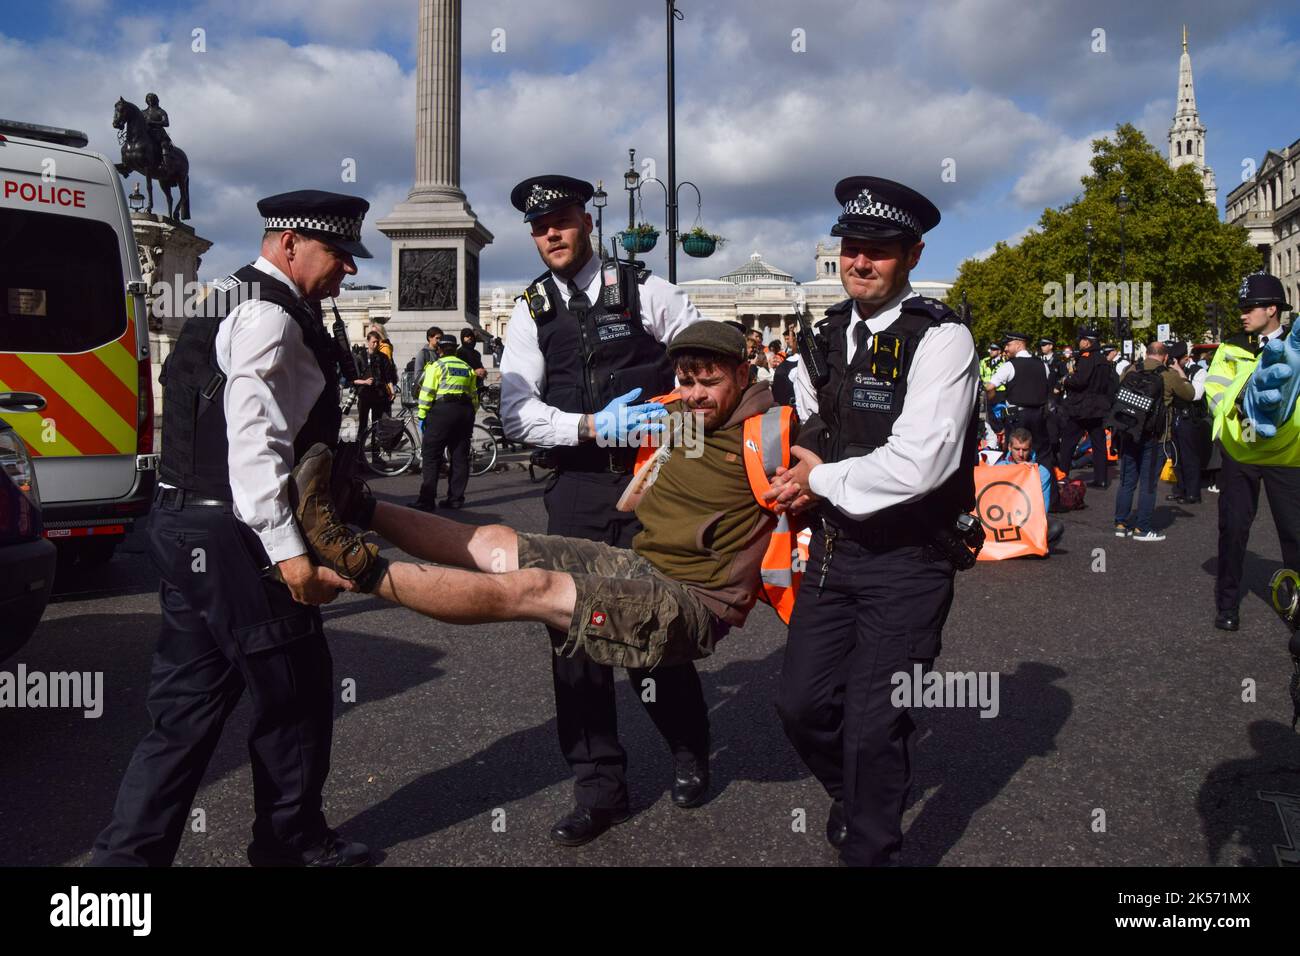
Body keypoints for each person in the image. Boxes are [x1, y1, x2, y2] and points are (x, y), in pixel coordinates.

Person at [90, 190, 375, 868]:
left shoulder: (227, 298)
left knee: (185, 711)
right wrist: (288, 555)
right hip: (238, 538)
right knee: (297, 694)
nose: (349, 271)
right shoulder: (271, 319)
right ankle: (291, 844)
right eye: (338, 255)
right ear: (287, 245)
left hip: (187, 522)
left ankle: (122, 867)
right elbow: (253, 442)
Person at [767, 176, 981, 866]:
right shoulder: (823, 335)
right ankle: (855, 794)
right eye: (852, 247)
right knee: (799, 706)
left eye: (879, 251)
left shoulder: (942, 339)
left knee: (872, 725)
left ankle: (873, 845)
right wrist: (790, 477)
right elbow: (802, 428)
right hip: (833, 551)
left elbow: (921, 463)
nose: (860, 261)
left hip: (910, 558)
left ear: (912, 255)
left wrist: (817, 479)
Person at [498, 174, 710, 847]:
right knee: (576, 635)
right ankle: (599, 788)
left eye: (560, 220)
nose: (551, 235)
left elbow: (707, 361)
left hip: (654, 483)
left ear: (587, 221)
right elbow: (516, 412)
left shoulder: (644, 289)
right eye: (539, 227)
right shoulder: (528, 311)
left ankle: (687, 746)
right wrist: (591, 427)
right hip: (580, 488)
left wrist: (675, 424)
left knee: (656, 625)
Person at [1206, 272, 1298, 631]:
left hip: (1288, 454)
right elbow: (1212, 392)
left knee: (1294, 535)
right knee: (1233, 530)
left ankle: (1296, 609)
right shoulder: (1230, 347)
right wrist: (1242, 397)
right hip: (1241, 450)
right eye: (1241, 307)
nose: (1243, 314)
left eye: (1250, 307)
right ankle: (1227, 605)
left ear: (1272, 309)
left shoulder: (1296, 347)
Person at [1113, 341, 1194, 542]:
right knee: (1148, 484)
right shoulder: (1168, 375)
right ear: (1165, 356)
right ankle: (1142, 528)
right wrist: (1178, 370)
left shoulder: (1131, 369)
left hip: (1130, 431)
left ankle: (1121, 524)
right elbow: (1190, 394)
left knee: (1126, 481)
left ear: (1147, 353)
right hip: (1155, 436)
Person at [415, 334, 478, 511]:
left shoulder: (437, 366)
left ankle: (427, 500)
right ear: (456, 349)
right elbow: (474, 397)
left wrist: (422, 415)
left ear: (440, 349)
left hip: (442, 413)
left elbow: (427, 393)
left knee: (431, 455)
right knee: (459, 457)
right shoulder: (466, 367)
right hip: (464, 413)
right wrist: (470, 413)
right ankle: (455, 499)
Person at [986, 331, 1054, 478]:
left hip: (1017, 417)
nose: (1005, 349)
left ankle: (1015, 490)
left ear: (1018, 344)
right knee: (1043, 454)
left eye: (1008, 345)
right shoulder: (1043, 365)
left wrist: (992, 403)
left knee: (1017, 454)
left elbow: (990, 387)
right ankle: (1048, 492)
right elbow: (1049, 387)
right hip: (1039, 416)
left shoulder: (1009, 365)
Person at [1059, 329, 1113, 489]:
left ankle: (1062, 474)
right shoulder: (1103, 359)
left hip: (1082, 407)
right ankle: (1101, 478)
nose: (1079, 343)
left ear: (1087, 342)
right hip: (1098, 406)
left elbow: (1080, 381)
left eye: (1081, 340)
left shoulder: (1086, 358)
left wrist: (1066, 381)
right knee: (1099, 443)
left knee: (1068, 441)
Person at [994, 428, 1064, 549]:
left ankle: (1026, 547)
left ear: (1030, 449)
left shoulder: (1041, 472)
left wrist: (1028, 475)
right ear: (1010, 448)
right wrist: (1016, 471)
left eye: (1025, 450)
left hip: (1028, 520)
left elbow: (1042, 508)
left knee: (1056, 527)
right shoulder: (999, 467)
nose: (1021, 454)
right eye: (1017, 449)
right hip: (1002, 519)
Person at [1165, 341, 1208, 505]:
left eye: (1176, 360)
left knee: (1190, 456)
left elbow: (1195, 394)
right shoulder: (1172, 370)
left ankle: (1193, 492)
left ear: (1185, 358)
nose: (1173, 363)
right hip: (1174, 416)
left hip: (1189, 418)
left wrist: (1179, 372)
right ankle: (1181, 489)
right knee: (1176, 456)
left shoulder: (1199, 371)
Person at [355, 329, 397, 464]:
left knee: (377, 426)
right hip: (365, 394)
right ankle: (359, 456)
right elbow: (352, 378)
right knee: (362, 426)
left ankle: (376, 455)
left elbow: (388, 376)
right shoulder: (360, 357)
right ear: (368, 342)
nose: (376, 344)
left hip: (379, 395)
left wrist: (392, 390)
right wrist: (364, 382)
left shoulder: (383, 357)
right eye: (373, 342)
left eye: (377, 342)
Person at [771, 323, 800, 407]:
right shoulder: (786, 350)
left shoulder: (795, 351)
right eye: (785, 339)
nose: (787, 341)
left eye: (788, 339)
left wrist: (791, 331)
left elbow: (792, 344)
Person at [142, 92, 172, 167]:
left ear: (155, 100)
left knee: (164, 145)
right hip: (146, 133)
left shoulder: (161, 111)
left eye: (152, 99)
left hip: (159, 134)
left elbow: (166, 123)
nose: (150, 101)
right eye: (148, 99)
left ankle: (166, 165)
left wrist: (152, 122)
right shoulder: (143, 112)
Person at [458, 327, 488, 394]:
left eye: (471, 336)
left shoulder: (477, 353)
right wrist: (474, 372)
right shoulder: (460, 352)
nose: (469, 338)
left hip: (478, 385)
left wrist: (483, 371)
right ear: (462, 338)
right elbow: (460, 370)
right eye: (466, 336)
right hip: (466, 386)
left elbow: (479, 365)